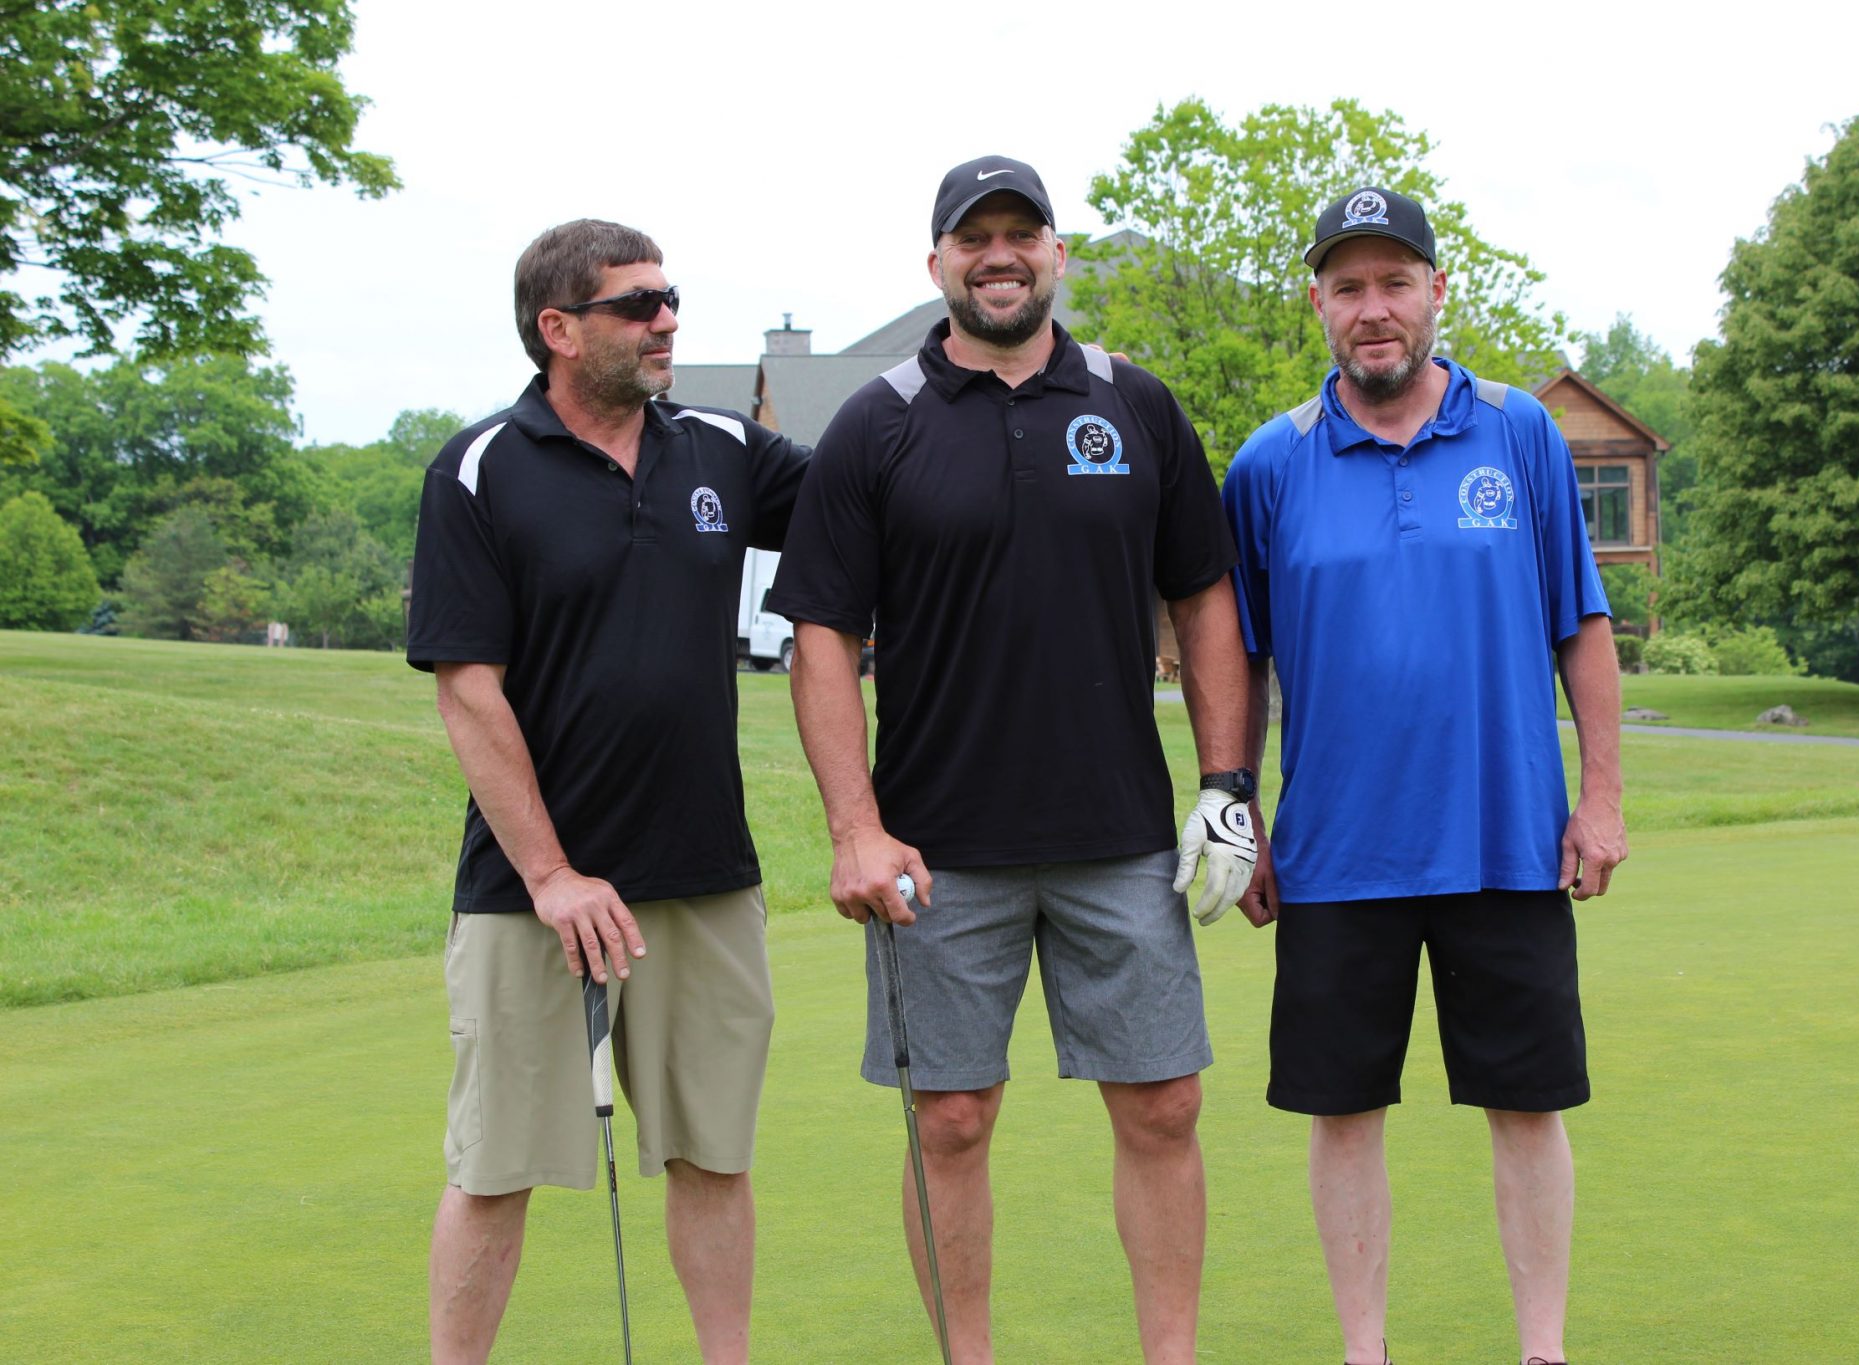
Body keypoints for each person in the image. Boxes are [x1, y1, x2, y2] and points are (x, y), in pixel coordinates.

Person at [764, 156, 1258, 1365]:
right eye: (973, 237)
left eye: (1020, 233)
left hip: (1119, 835)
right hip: (937, 847)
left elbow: (1202, 597)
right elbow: (820, 635)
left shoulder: (1135, 405)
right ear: (936, 262)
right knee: (948, 1119)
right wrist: (853, 827)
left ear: (1055, 253)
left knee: (1164, 1104)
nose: (999, 255)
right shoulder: (877, 422)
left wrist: (1226, 787)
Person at [1221, 187, 1627, 1365]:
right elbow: (1236, 655)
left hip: (1505, 837)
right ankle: (1365, 1352)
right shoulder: (1270, 462)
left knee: (1526, 1105)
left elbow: (1579, 625)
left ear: (1435, 291)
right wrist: (1238, 809)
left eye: (1393, 282)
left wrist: (1599, 800)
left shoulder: (1517, 431)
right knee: (1342, 1112)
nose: (1372, 309)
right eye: (1347, 287)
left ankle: (1541, 1349)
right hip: (1335, 852)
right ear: (1316, 303)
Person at [406, 218, 808, 1364]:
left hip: (703, 878)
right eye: (636, 305)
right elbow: (467, 689)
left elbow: (882, 498)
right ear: (559, 329)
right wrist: (550, 874)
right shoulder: (480, 468)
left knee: (712, 1155)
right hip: (530, 896)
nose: (665, 320)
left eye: (669, 299)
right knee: (495, 1168)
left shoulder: (723, 450)